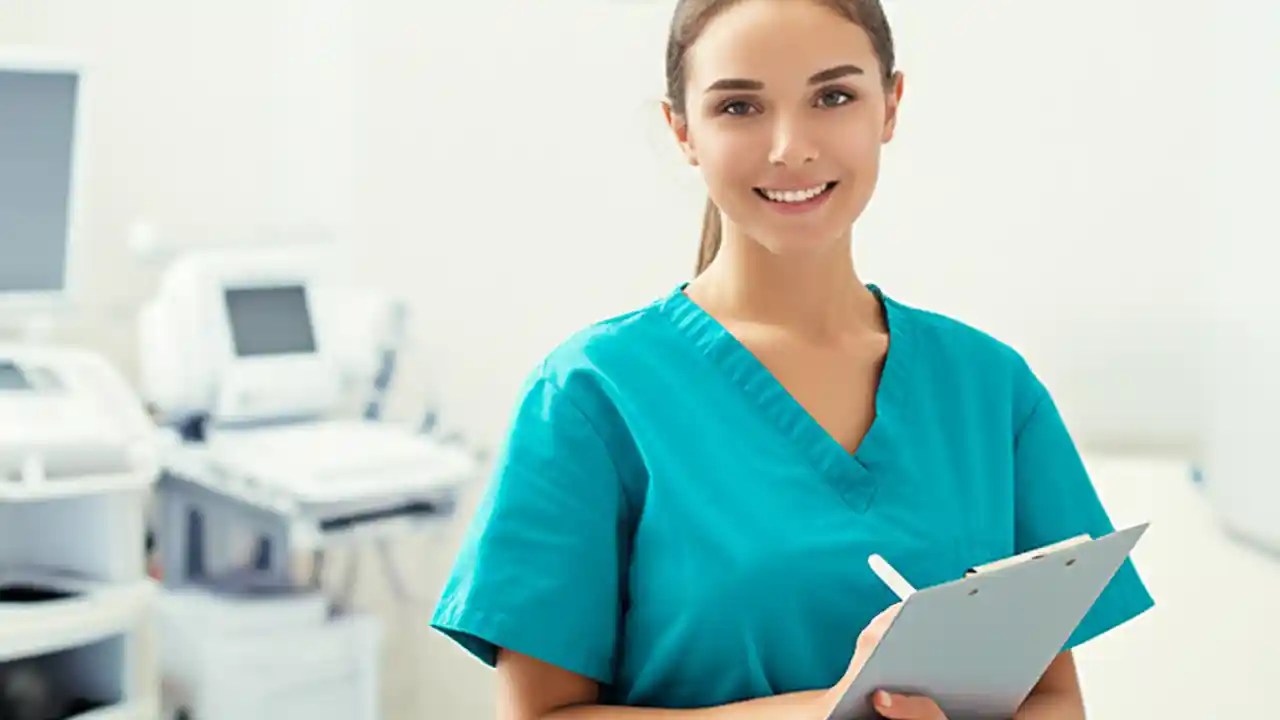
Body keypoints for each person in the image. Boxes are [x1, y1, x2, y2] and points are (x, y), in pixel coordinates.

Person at [430, 0, 1154, 717]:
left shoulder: (991, 391)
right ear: (681, 129)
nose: (790, 147)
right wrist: (831, 710)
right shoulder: (592, 395)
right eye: (740, 107)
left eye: (833, 96)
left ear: (890, 107)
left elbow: (1053, 699)